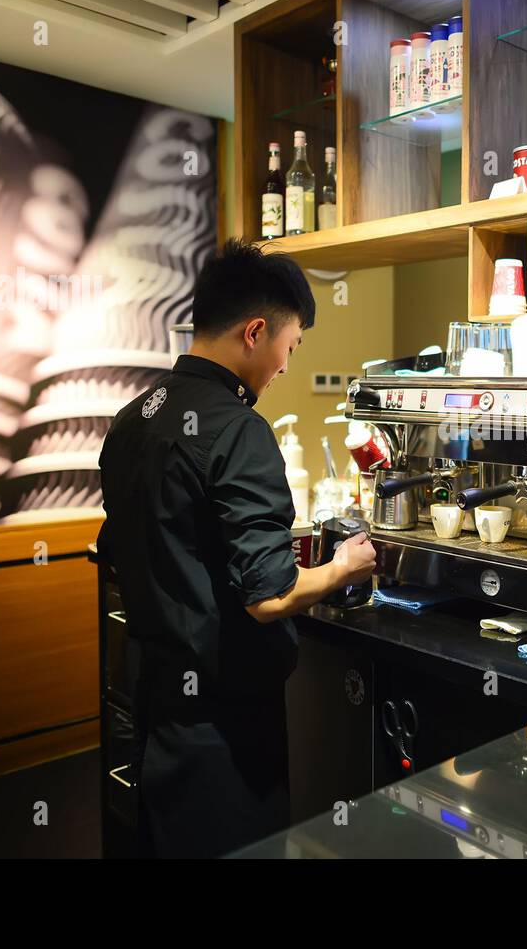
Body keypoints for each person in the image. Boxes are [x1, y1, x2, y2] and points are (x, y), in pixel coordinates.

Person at [97, 239, 376, 858]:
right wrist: (343, 566)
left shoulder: (133, 419)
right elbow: (270, 596)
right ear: (256, 331)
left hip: (155, 707)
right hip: (224, 726)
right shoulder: (238, 430)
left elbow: (119, 548)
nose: (286, 366)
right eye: (290, 346)